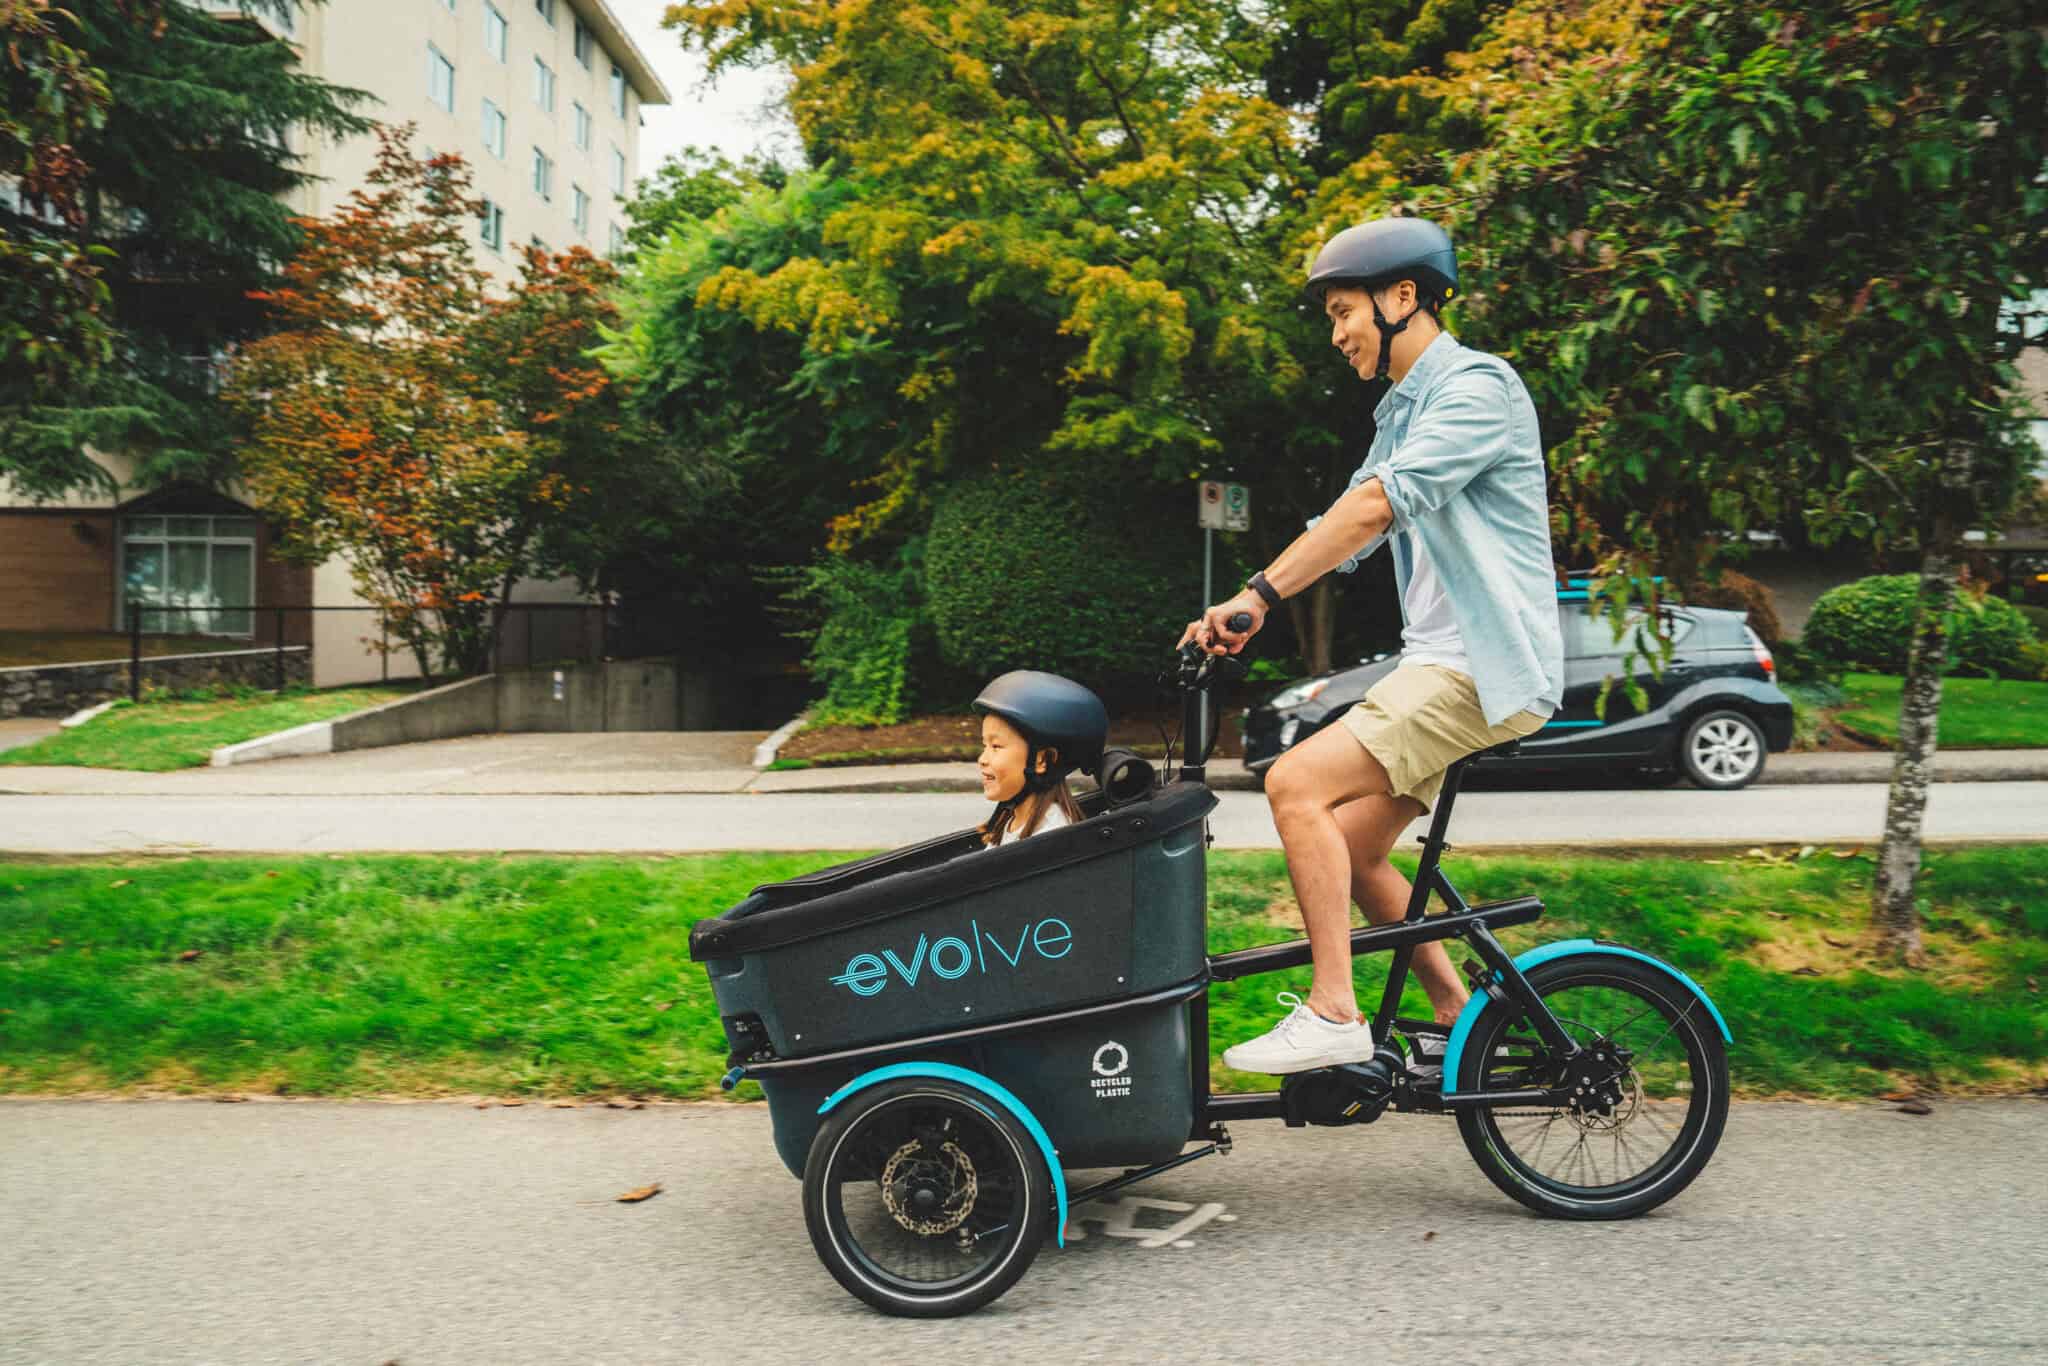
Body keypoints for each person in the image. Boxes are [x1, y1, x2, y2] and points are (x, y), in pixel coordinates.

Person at [1178, 216, 1565, 1075]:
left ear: (1402, 298)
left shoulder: (1475, 389)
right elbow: (1345, 527)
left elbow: (1376, 508)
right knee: (1350, 849)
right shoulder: (1406, 409)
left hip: (1477, 666)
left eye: (1344, 310)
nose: (1338, 333)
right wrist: (1254, 603)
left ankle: (1334, 1010)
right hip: (1439, 662)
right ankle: (1462, 1015)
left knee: (1292, 783)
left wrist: (1259, 593)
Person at [971, 670, 1106, 847]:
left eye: (996, 746)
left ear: (1041, 760)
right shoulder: (1012, 821)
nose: (982, 759)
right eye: (985, 746)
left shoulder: (1051, 840)